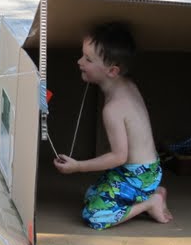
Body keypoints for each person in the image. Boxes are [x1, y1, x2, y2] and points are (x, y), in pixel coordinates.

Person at [53, 23, 172, 229]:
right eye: (82, 55)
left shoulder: (113, 108)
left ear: (112, 70)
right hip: (147, 169)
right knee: (91, 194)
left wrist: (78, 166)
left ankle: (150, 202)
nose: (79, 61)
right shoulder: (128, 84)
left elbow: (119, 156)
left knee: (94, 215)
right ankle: (155, 190)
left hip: (137, 175)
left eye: (88, 59)